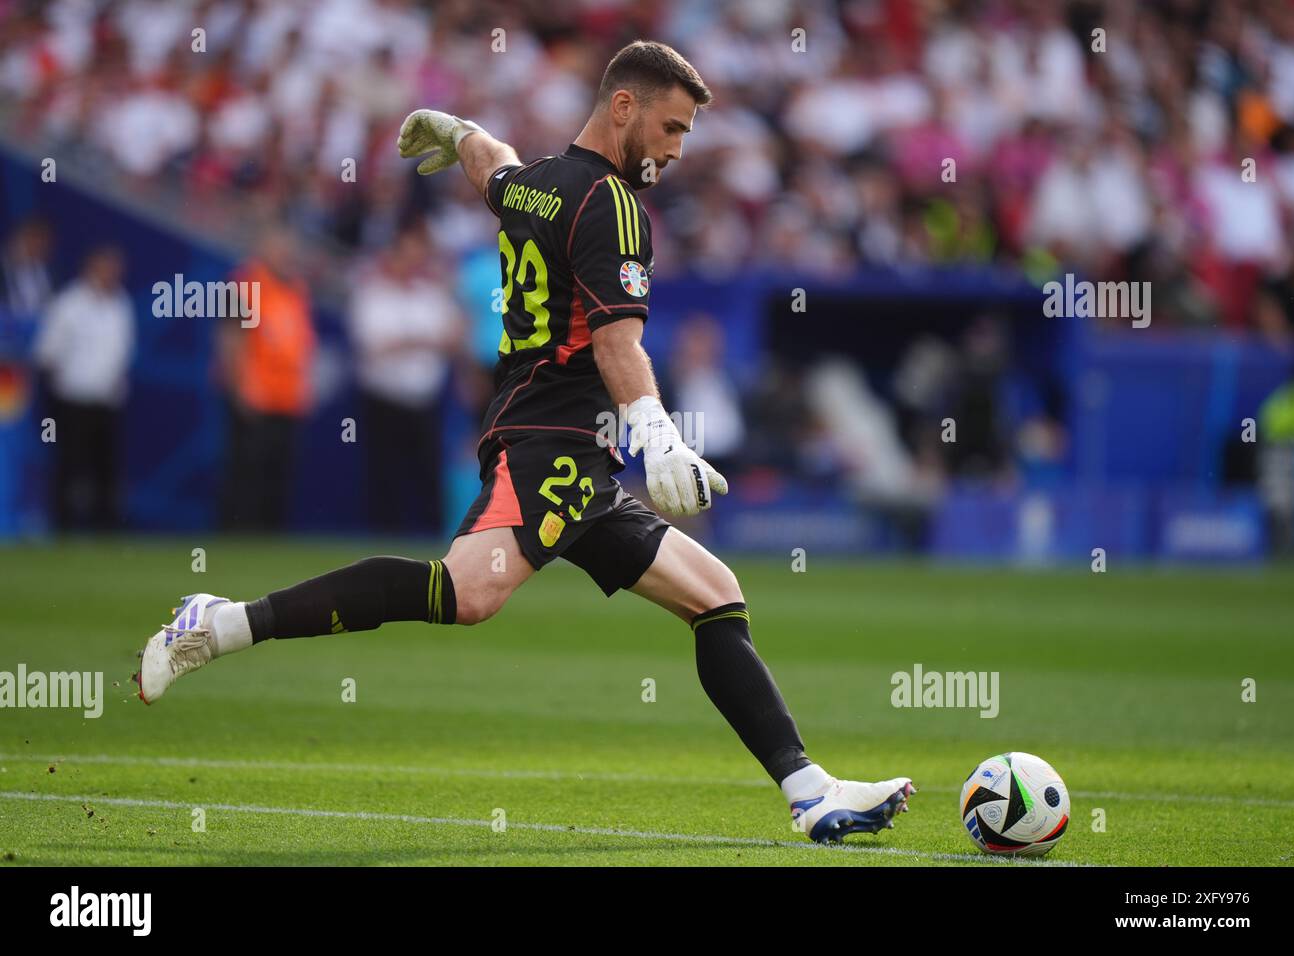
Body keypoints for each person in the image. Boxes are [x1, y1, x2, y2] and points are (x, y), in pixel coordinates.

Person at [134, 41, 914, 844]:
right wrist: (659, 436)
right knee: (466, 595)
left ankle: (809, 790)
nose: (679, 150)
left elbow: (489, 165)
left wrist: (459, 128)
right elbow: (617, 344)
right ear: (624, 108)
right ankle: (222, 623)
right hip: (549, 443)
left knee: (714, 594)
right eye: (673, 127)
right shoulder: (612, 205)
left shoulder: (534, 184)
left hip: (567, 447)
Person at [348, 225, 464, 534]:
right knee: (384, 474)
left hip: (424, 400)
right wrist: (419, 340)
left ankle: (430, 541)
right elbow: (372, 345)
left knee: (427, 474)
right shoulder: (373, 291)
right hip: (383, 399)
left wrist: (408, 341)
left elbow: (453, 337)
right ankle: (381, 538)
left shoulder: (431, 294)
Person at [216, 227, 316, 531]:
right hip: (254, 395)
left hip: (286, 398)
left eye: (288, 246)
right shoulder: (243, 285)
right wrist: (239, 386)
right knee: (247, 474)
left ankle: (270, 540)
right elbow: (231, 338)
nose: (286, 253)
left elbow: (301, 341)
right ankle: (237, 538)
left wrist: (304, 386)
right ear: (262, 247)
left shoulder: (296, 288)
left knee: (278, 475)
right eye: (278, 246)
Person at [34, 245, 134, 531]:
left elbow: (123, 351)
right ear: (91, 267)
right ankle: (62, 528)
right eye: (107, 267)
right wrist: (58, 394)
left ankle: (105, 531)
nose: (113, 273)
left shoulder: (121, 303)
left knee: (106, 470)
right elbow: (48, 353)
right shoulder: (69, 304)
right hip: (72, 401)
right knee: (69, 467)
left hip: (107, 401)